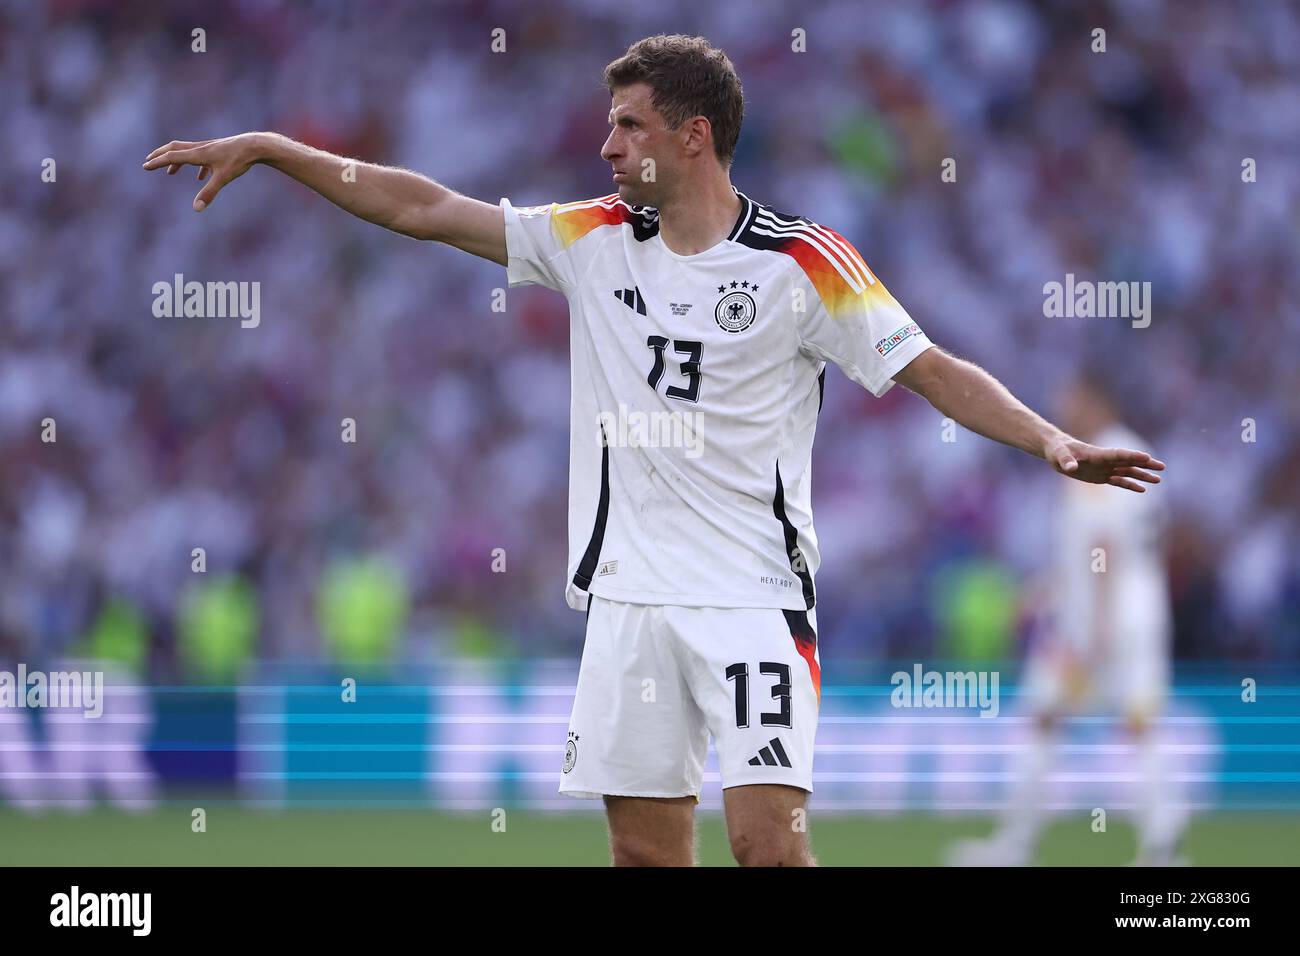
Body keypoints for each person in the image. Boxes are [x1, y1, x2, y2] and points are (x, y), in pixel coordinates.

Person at [144, 34, 1164, 866]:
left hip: (753, 595)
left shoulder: (804, 261)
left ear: (692, 135)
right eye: (607, 125)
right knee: (642, 855)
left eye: (626, 126)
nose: (606, 146)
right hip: (628, 598)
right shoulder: (588, 234)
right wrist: (280, 147)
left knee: (769, 846)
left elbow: (927, 365)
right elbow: (420, 207)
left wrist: (1047, 440)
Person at [949, 373, 1184, 866]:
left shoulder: (1104, 456)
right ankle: (1163, 852)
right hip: (1138, 612)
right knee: (1139, 728)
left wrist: (1093, 628)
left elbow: (1104, 545)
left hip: (1100, 619)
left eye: (1070, 395)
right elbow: (1108, 549)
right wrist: (1045, 592)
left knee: (1042, 721)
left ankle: (1014, 846)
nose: (1061, 406)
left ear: (1097, 398)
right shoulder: (1136, 451)